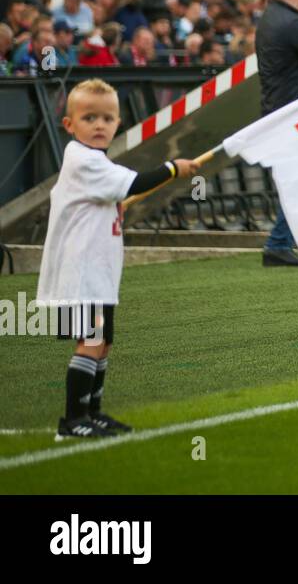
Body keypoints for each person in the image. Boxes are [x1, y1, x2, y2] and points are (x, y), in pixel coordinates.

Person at [35, 78, 199, 438]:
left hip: (98, 271)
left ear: (117, 123)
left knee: (103, 340)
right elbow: (137, 183)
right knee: (91, 340)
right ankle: (72, 420)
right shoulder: (82, 159)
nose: (99, 125)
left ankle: (92, 413)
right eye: (89, 117)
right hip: (80, 272)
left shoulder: (97, 161)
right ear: (69, 125)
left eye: (107, 118)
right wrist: (174, 168)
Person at [255, 0, 298, 266]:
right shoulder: (293, 23)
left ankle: (282, 241)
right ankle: (278, 242)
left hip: (277, 109)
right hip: (292, 113)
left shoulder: (270, 17)